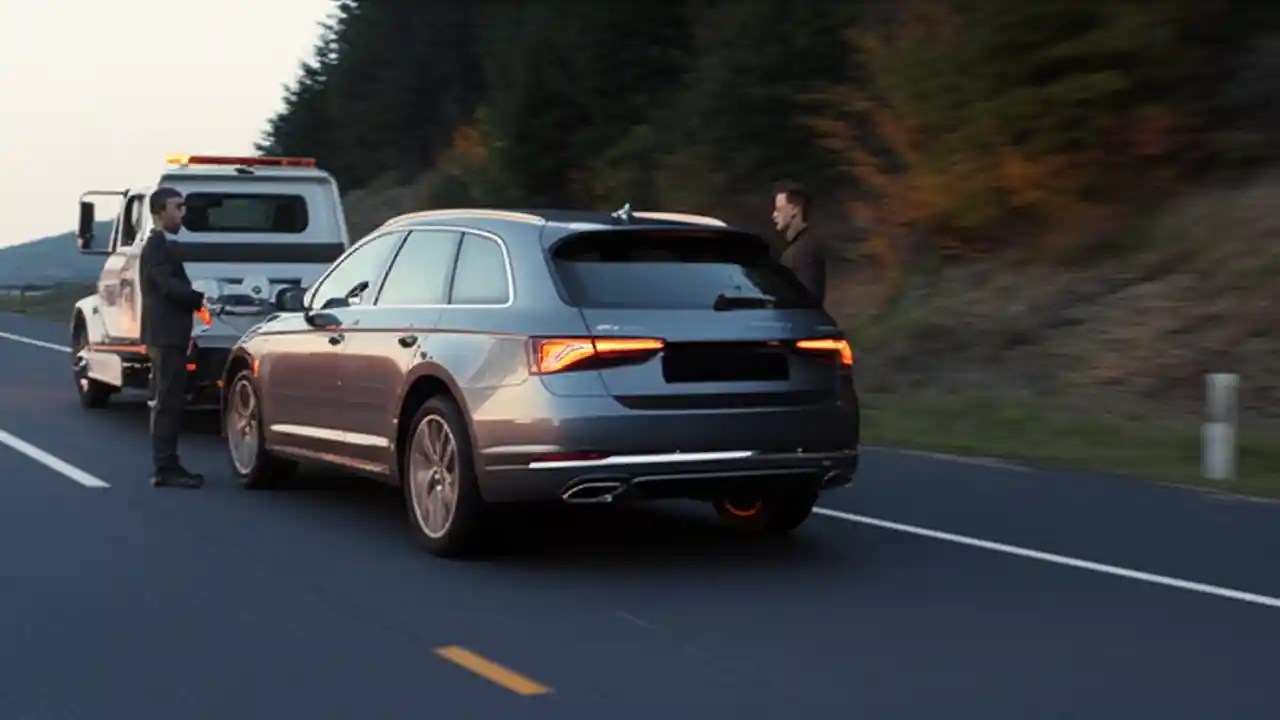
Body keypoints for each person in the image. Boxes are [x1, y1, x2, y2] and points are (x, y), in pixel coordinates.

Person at [139, 186, 206, 488]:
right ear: (158, 212)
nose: (182, 212)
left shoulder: (166, 245)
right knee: (166, 402)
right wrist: (199, 299)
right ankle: (165, 467)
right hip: (165, 336)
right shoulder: (156, 246)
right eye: (176, 207)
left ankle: (169, 463)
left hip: (171, 334)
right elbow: (167, 286)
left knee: (170, 400)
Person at [771, 180, 826, 305]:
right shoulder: (797, 248)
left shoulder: (806, 250)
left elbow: (808, 298)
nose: (773, 215)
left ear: (795, 208)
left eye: (778, 210)